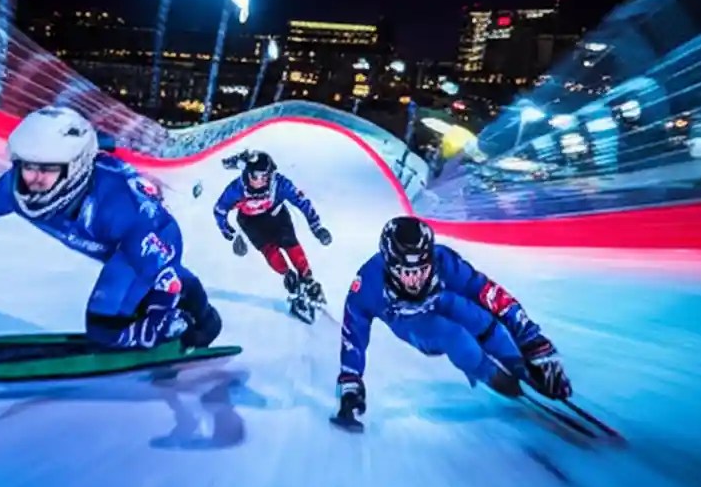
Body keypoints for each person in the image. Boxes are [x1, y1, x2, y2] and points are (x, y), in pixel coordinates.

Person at [0, 106, 222, 351]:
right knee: (122, 308)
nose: (33, 179)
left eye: (47, 169)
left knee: (104, 329)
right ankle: (191, 317)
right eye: (27, 166)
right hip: (127, 249)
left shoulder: (121, 202)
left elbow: (164, 257)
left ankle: (188, 323)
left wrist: (162, 310)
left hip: (144, 246)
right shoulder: (17, 187)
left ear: (77, 166)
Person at [335, 216, 572, 419]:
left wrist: (532, 341)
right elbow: (354, 330)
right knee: (454, 335)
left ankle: (521, 368)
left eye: (422, 270)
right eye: (407, 273)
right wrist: (350, 380)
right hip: (408, 319)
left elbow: (489, 294)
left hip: (438, 299)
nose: (416, 280)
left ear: (431, 260)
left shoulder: (444, 260)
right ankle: (494, 376)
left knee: (479, 318)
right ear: (390, 267)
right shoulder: (368, 282)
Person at [213, 150, 333, 304]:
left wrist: (317, 227)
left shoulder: (280, 184)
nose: (259, 180)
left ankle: (306, 276)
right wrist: (231, 234)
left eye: (264, 176)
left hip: (275, 214)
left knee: (290, 242)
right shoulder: (237, 189)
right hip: (250, 221)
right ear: (248, 173)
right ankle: (288, 276)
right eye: (255, 175)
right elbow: (219, 210)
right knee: (269, 250)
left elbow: (302, 202)